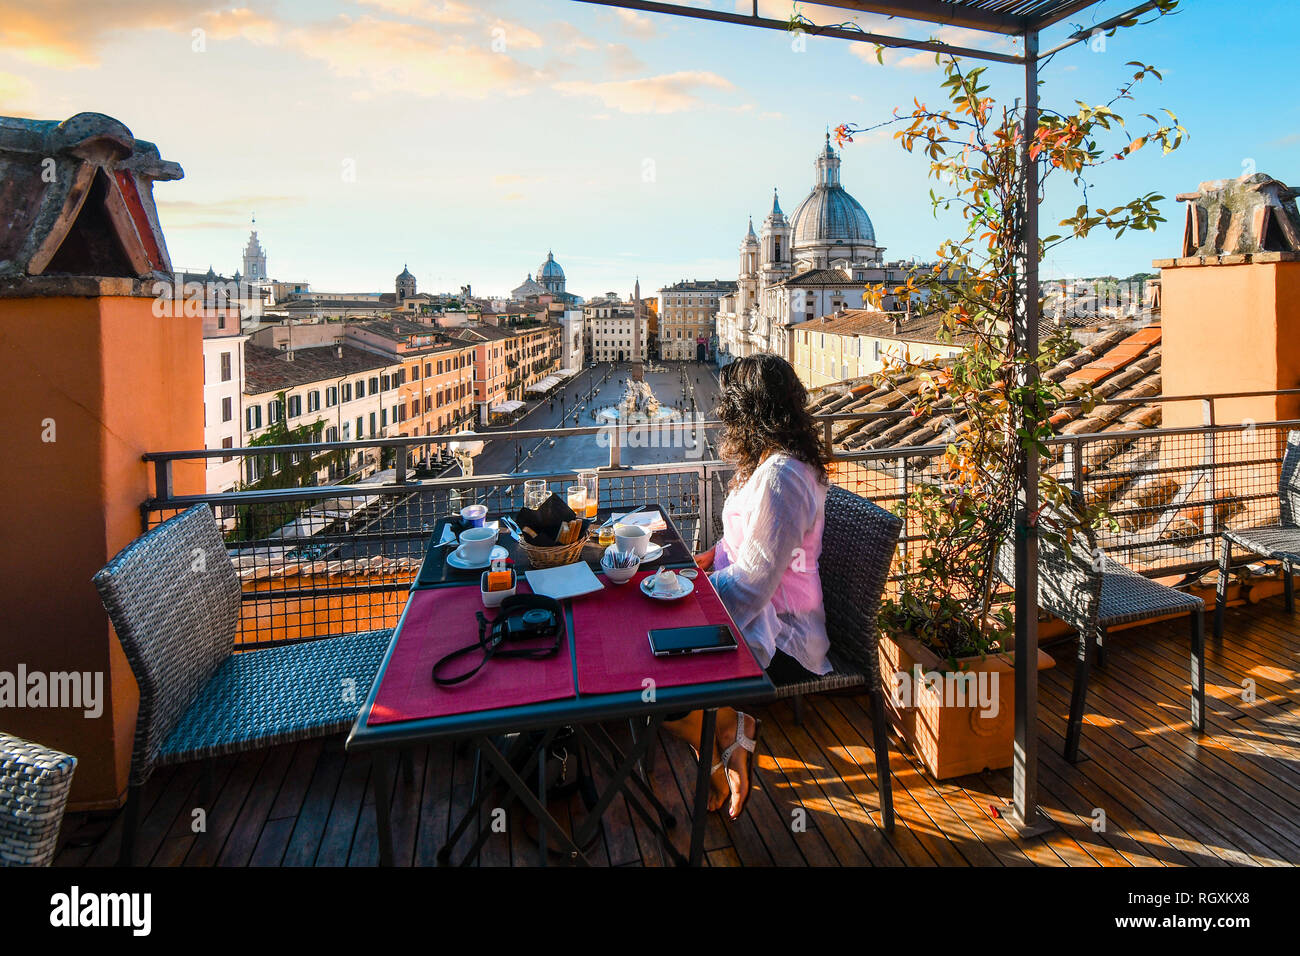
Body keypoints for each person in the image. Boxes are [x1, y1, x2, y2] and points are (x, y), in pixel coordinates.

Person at [663, 353, 830, 820]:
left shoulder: (784, 477)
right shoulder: (772, 464)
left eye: (729, 405)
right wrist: (703, 562)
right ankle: (722, 729)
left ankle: (718, 725)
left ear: (750, 409)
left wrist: (688, 597)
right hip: (753, 616)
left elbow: (753, 585)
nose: (723, 414)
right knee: (652, 647)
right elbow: (747, 545)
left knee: (649, 675)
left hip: (782, 638)